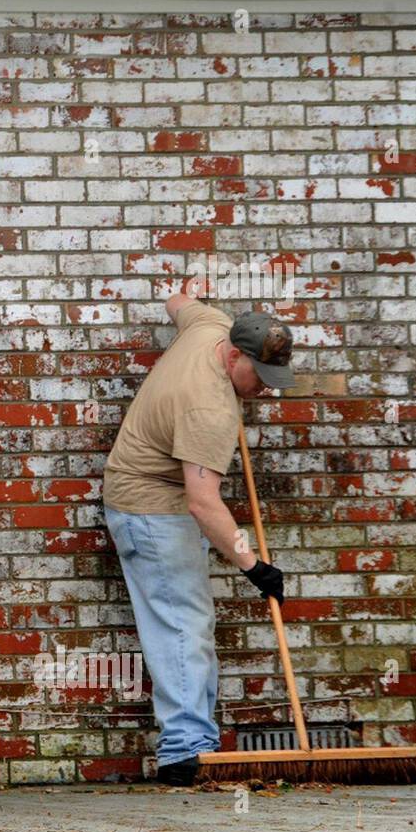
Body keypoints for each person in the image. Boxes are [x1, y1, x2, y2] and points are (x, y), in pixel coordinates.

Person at [102, 292, 295, 786]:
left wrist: (192, 284)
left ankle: (195, 743)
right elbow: (203, 502)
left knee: (188, 620)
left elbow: (178, 300)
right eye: (259, 378)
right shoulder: (209, 408)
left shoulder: (210, 324)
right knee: (182, 624)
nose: (264, 392)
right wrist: (254, 566)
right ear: (234, 355)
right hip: (153, 509)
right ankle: (185, 751)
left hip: (145, 498)